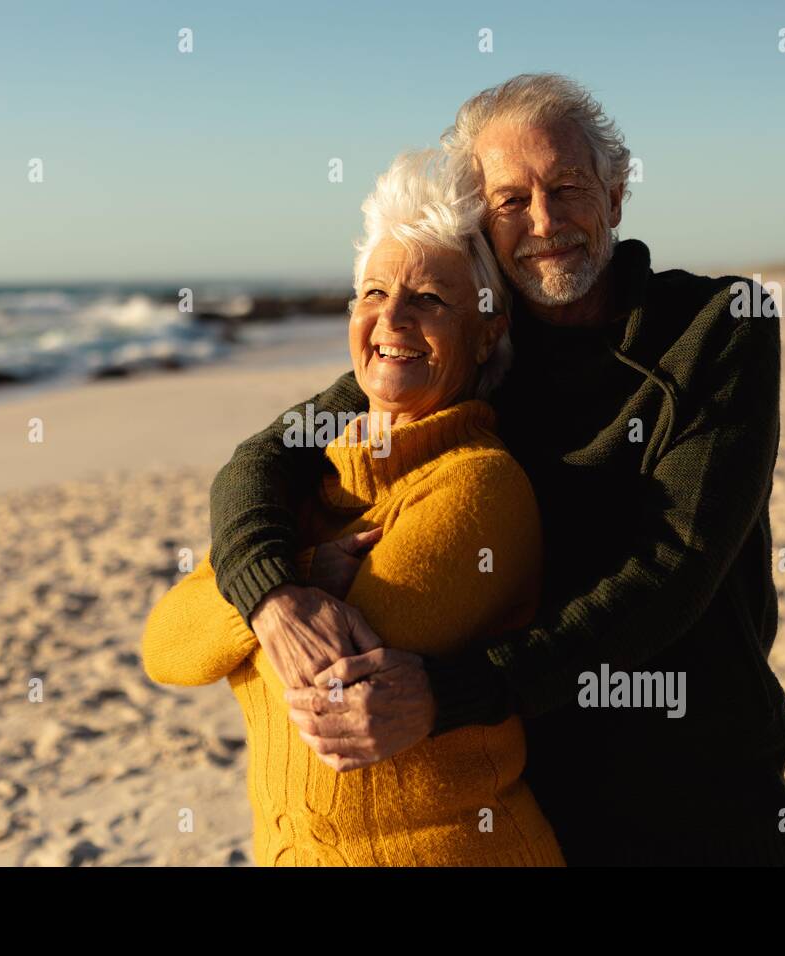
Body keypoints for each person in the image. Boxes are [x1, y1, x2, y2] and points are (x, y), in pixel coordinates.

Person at [208, 73, 785, 866]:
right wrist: (274, 595)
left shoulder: (716, 327)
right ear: (481, 226)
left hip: (701, 784)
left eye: (568, 186)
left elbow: (672, 568)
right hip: (535, 795)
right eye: (511, 200)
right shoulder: (473, 339)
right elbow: (263, 458)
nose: (546, 222)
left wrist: (446, 693)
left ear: (617, 197)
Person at [143, 149, 564, 866]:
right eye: (372, 293)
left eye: (429, 299)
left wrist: (253, 581)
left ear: (486, 332)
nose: (391, 317)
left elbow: (329, 674)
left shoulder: (480, 487)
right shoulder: (308, 479)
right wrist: (293, 581)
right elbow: (165, 647)